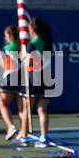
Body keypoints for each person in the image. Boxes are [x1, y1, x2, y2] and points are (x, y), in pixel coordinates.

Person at [22, 17, 53, 147]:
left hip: (34, 79)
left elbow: (30, 63)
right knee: (42, 109)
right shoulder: (47, 42)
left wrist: (24, 59)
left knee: (27, 109)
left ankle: (24, 136)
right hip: (47, 79)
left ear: (32, 29)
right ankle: (44, 137)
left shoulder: (32, 45)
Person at [0, 25, 21, 141]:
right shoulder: (22, 45)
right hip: (21, 77)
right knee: (21, 106)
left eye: (6, 35)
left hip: (10, 76)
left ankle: (11, 126)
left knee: (3, 104)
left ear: (11, 35)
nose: (5, 38)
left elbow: (4, 65)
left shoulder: (7, 48)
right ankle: (24, 132)